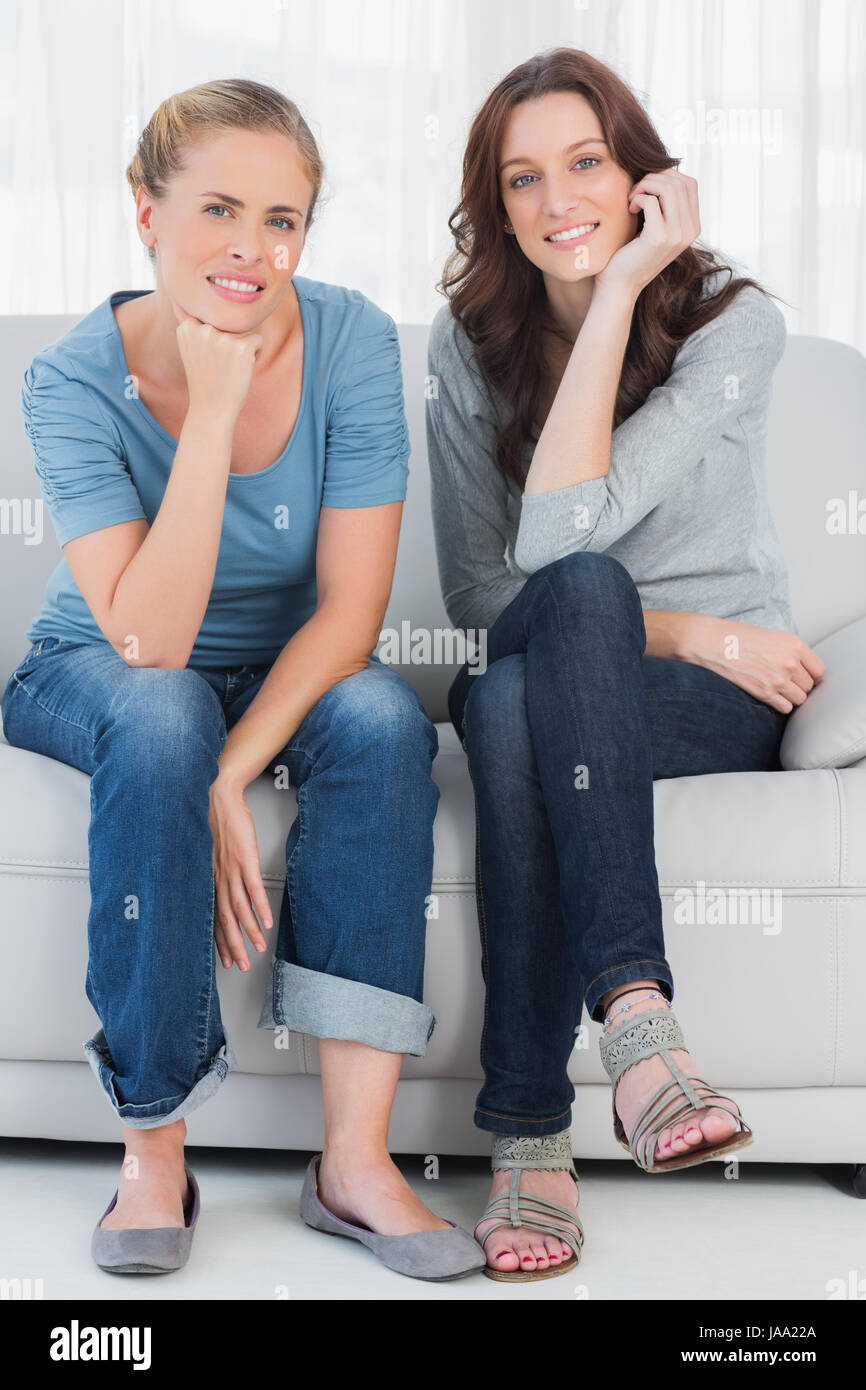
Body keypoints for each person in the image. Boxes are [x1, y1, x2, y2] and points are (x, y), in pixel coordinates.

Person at [2, 78, 484, 1282]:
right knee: (163, 712)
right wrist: (210, 413)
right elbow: (148, 642)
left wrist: (233, 768)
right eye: (218, 208)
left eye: (282, 220)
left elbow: (352, 613)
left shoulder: (356, 337)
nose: (251, 250)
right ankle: (153, 1141)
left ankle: (355, 1163)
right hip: (98, 664)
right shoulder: (69, 379)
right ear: (144, 211)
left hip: (283, 665)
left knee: (379, 717)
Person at [425, 47, 825, 1282]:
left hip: (707, 706)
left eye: (586, 164)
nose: (559, 204)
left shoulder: (732, 324)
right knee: (562, 614)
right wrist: (693, 624)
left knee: (504, 710)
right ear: (495, 207)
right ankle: (642, 1040)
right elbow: (504, 586)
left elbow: (546, 559)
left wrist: (626, 292)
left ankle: (529, 1136)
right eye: (523, 179)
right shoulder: (467, 344)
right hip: (655, 650)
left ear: (639, 173)